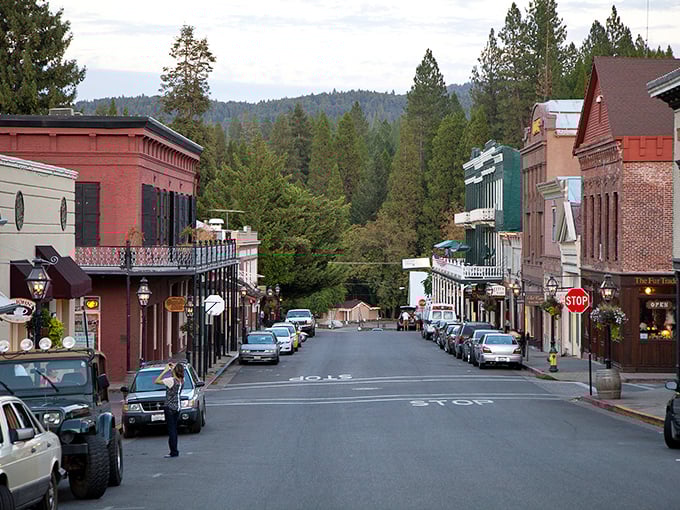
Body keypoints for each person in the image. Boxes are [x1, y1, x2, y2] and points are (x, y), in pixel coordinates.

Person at [154, 362, 184, 458]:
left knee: (171, 430)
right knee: (174, 429)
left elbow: (157, 381)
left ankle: (173, 451)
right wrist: (173, 369)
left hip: (169, 407)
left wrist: (165, 371)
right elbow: (176, 375)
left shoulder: (171, 381)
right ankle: (174, 450)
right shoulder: (181, 380)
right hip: (177, 407)